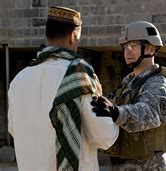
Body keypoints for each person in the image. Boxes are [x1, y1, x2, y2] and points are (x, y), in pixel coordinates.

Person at [7, 6, 119, 170]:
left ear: (47, 35)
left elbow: (13, 130)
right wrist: (114, 115)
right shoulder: (78, 74)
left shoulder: (19, 79)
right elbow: (103, 136)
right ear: (73, 36)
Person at [90, 21, 166, 170]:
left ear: (150, 48)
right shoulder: (129, 81)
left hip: (150, 164)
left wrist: (116, 112)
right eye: (125, 47)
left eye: (133, 46)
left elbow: (150, 112)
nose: (128, 51)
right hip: (125, 163)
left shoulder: (159, 83)